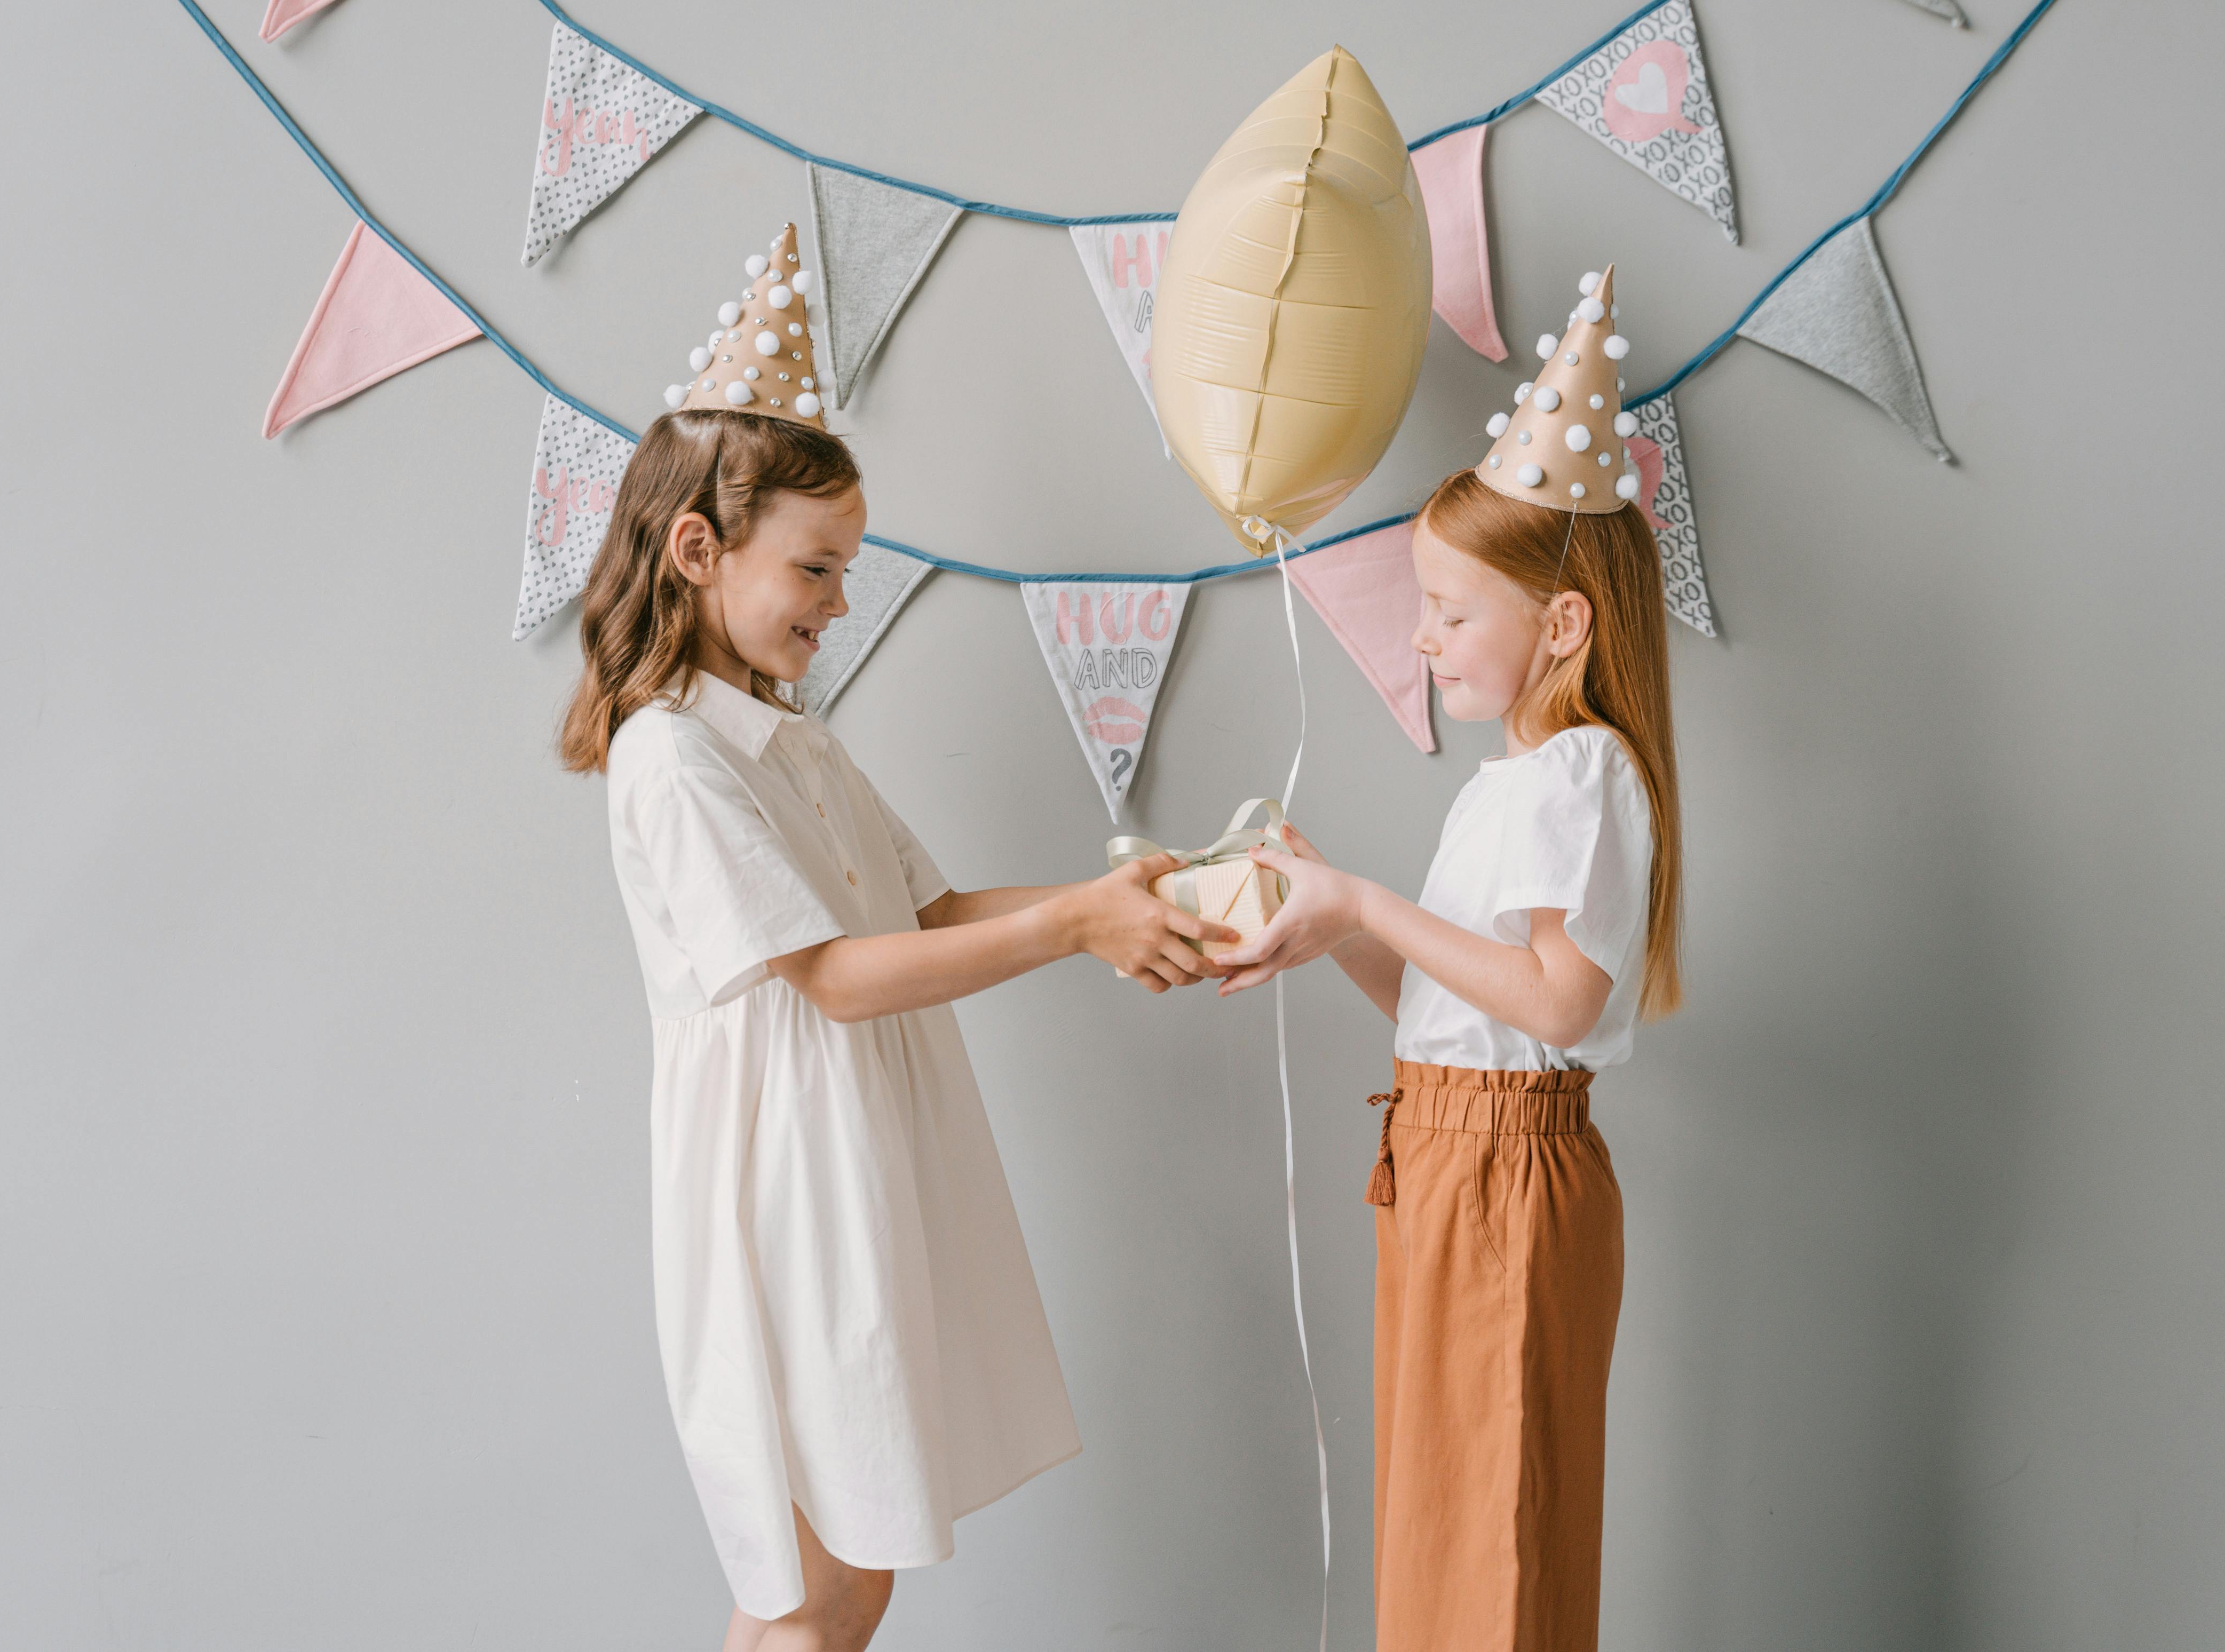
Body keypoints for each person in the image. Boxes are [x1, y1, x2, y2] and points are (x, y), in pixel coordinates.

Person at [561, 227, 1233, 1652]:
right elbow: (839, 979)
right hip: (786, 1188)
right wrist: (1070, 929)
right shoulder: (675, 760)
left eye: (850, 569)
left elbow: (918, 916)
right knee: (814, 1584)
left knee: (839, 1578)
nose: (840, 604)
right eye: (816, 567)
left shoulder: (792, 745)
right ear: (700, 551)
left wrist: (1112, 902)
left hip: (858, 1163)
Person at [1216, 269, 1683, 1652]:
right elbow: (1455, 1012)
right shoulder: (1509, 782)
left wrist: (1363, 893)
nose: (1422, 637)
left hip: (1504, 1176)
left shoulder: (1583, 774)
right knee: (1443, 1519)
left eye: (1449, 609)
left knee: (1496, 1534)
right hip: (1450, 1153)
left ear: (1562, 625)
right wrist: (1334, 925)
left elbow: (1556, 1005)